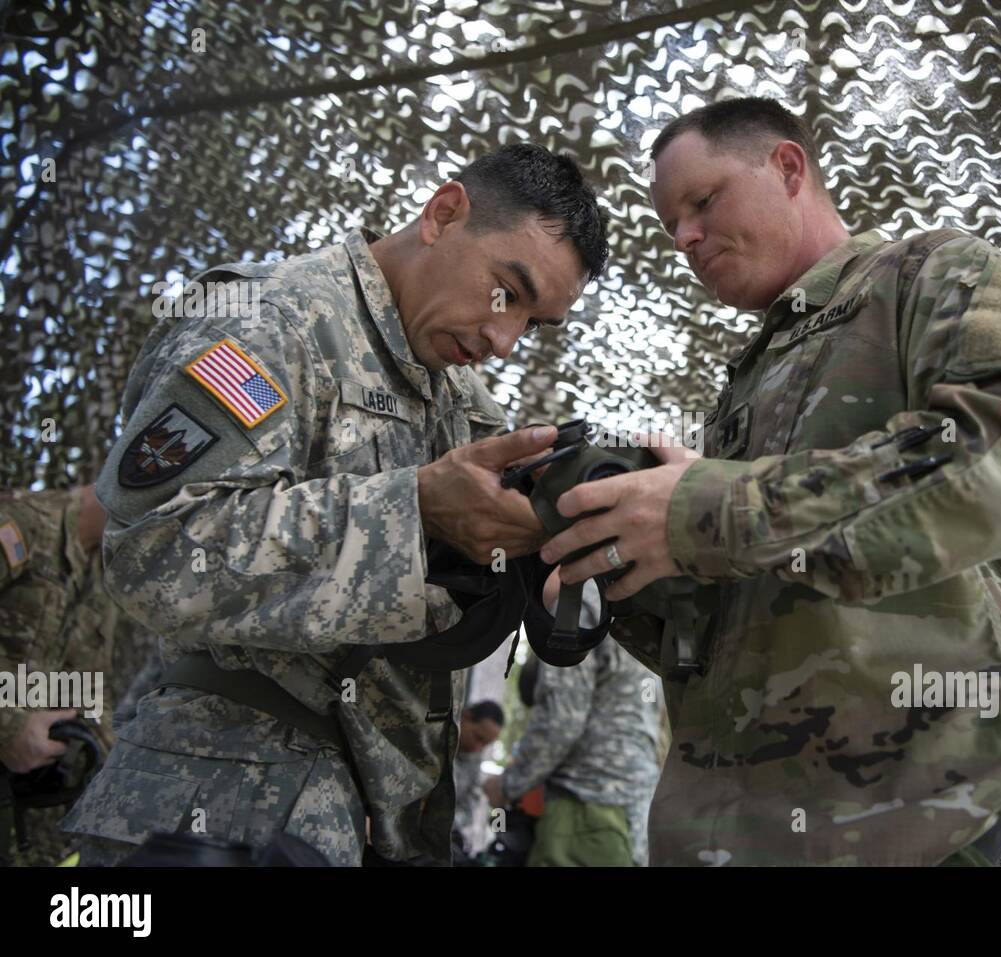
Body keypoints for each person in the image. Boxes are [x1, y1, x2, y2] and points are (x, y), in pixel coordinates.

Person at [539, 97, 1001, 865]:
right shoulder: (748, 381)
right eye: (672, 223)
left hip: (929, 830)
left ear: (787, 168)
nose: (684, 237)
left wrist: (709, 509)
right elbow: (743, 618)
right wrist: (601, 542)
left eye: (702, 201)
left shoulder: (930, 275)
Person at [60, 143, 609, 866]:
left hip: (365, 815)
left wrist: (530, 544)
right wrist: (415, 513)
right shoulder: (271, 321)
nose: (504, 340)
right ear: (444, 213)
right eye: (506, 291)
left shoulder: (461, 401)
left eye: (532, 324)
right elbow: (154, 547)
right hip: (218, 801)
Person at [1, 486, 118, 866]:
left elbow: (85, 688)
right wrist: (9, 727)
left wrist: (113, 770)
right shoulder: (24, 524)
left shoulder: (99, 574)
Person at [484, 639, 662, 866]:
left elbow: (560, 723)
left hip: (585, 811)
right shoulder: (636, 629)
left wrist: (505, 785)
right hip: (636, 815)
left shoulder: (573, 619)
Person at [452, 699, 504, 858]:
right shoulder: (432, 742)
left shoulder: (474, 757)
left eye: (485, 744)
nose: (478, 748)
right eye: (478, 737)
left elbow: (469, 805)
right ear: (465, 718)